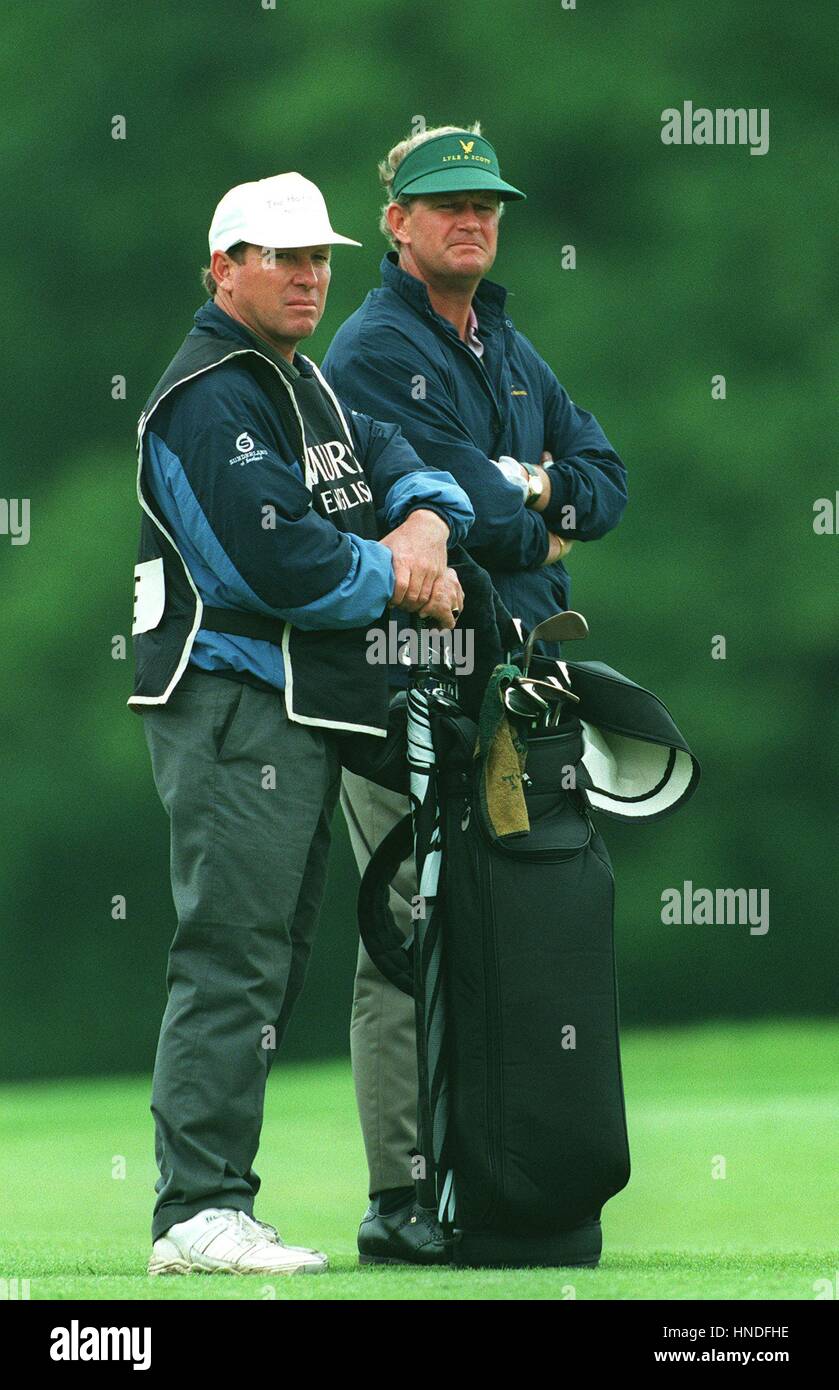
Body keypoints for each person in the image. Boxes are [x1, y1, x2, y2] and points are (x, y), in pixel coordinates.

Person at [130, 172, 474, 1276]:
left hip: (292, 706)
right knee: (231, 955)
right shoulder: (207, 393)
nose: (307, 276)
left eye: (317, 258)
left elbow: (409, 465)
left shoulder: (304, 383)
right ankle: (197, 1208)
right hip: (226, 699)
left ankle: (215, 1201)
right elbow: (279, 564)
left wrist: (422, 522)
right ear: (222, 266)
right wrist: (400, 571)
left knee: (269, 961)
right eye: (280, 258)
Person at [322, 124, 628, 1264]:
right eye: (447, 204)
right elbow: (477, 519)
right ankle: (404, 1192)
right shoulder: (367, 349)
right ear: (395, 222)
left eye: (487, 204)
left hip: (513, 681)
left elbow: (602, 478)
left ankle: (503, 1176)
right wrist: (521, 500)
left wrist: (532, 483)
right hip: (406, 680)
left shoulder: (500, 336)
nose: (472, 219)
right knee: (407, 927)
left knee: (514, 921)